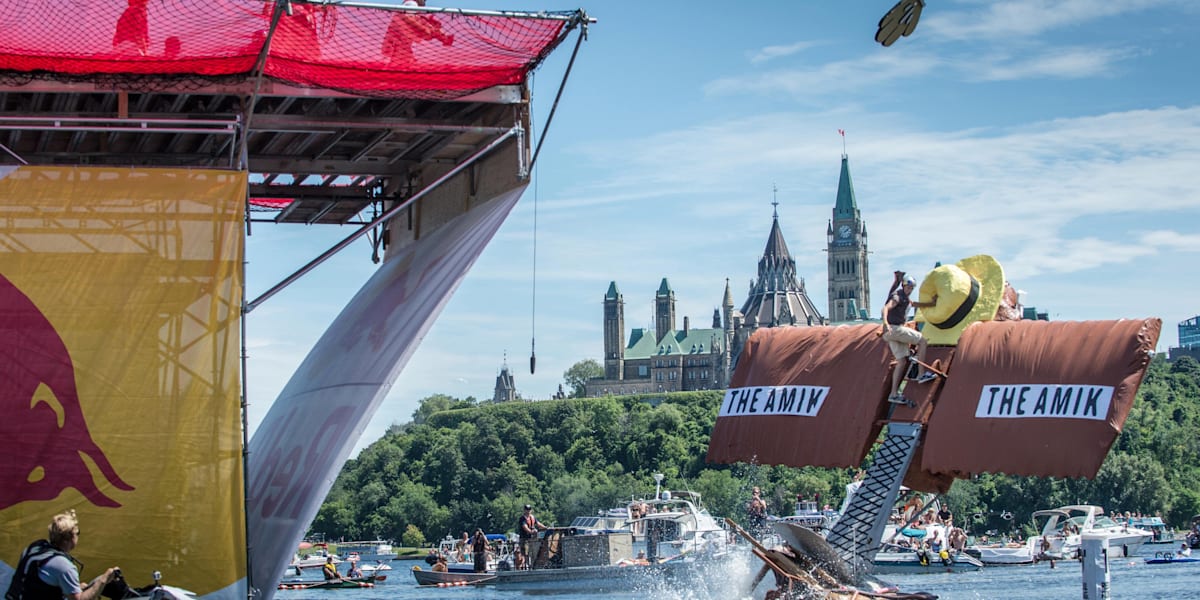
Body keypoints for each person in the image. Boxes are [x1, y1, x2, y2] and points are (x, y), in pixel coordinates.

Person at [6, 510, 119, 600]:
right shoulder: (64, 566)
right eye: (77, 533)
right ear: (67, 539)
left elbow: (40, 583)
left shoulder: (34, 547)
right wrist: (103, 579)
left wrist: (74, 589)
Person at [880, 272, 939, 404]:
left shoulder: (905, 298)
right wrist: (886, 322)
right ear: (903, 286)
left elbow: (916, 304)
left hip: (889, 334)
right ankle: (921, 374)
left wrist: (932, 303)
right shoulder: (898, 297)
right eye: (908, 287)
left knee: (902, 362)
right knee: (922, 341)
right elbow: (886, 308)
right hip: (894, 329)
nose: (910, 290)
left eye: (912, 288)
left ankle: (894, 394)